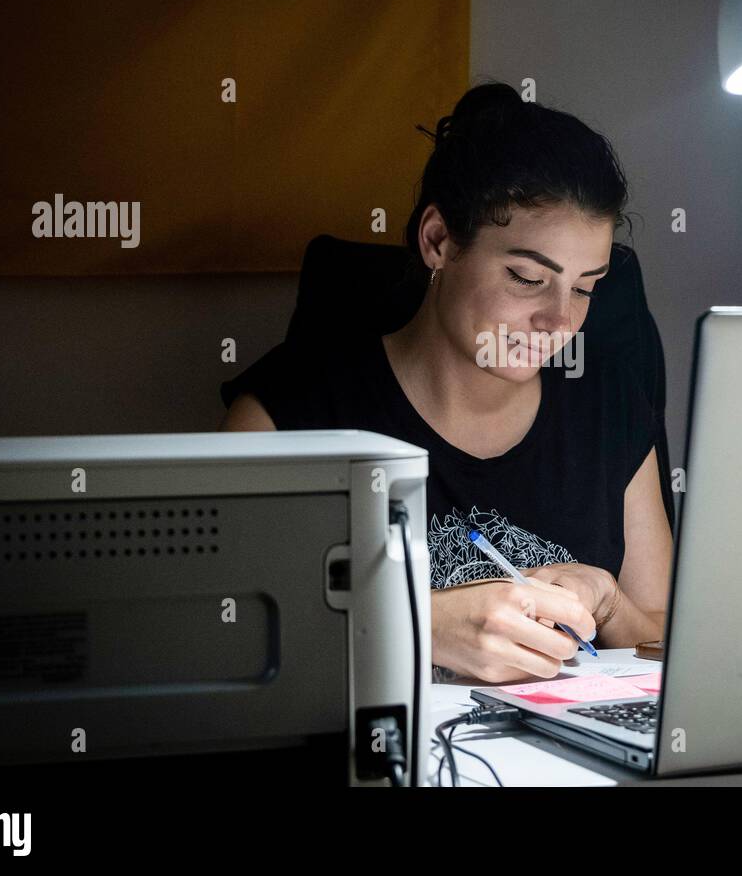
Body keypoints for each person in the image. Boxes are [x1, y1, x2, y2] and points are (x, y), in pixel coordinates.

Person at [219, 81, 672, 682]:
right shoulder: (292, 411)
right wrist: (418, 621)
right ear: (438, 241)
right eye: (526, 278)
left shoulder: (607, 403)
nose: (560, 320)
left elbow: (666, 639)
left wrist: (609, 602)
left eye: (586, 287)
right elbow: (227, 636)